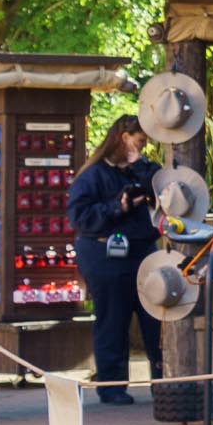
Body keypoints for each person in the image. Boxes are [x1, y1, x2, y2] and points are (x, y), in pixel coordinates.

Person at [66, 114, 162, 406]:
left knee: (155, 320)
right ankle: (112, 386)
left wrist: (138, 165)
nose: (143, 147)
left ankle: (164, 382)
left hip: (143, 252)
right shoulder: (93, 175)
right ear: (124, 137)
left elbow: (161, 186)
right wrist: (116, 207)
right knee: (113, 320)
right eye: (139, 141)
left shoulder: (141, 170)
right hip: (105, 254)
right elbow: (79, 217)